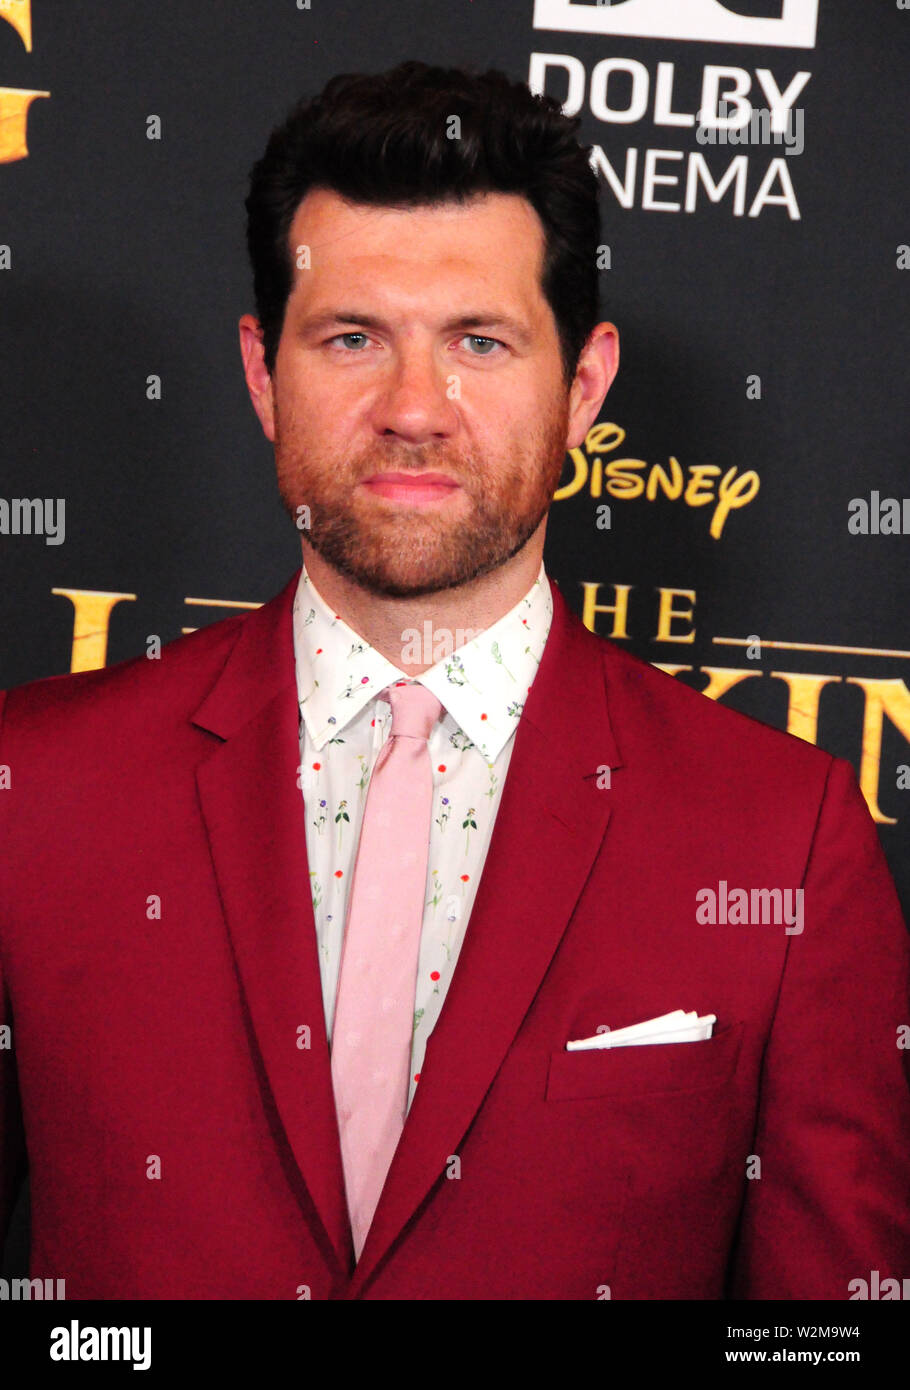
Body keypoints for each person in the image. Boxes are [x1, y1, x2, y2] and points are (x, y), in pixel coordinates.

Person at [1, 60, 908, 1301]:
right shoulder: (36, 789)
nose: (414, 408)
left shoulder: (778, 838)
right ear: (265, 375)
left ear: (583, 385)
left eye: (478, 341)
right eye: (352, 337)